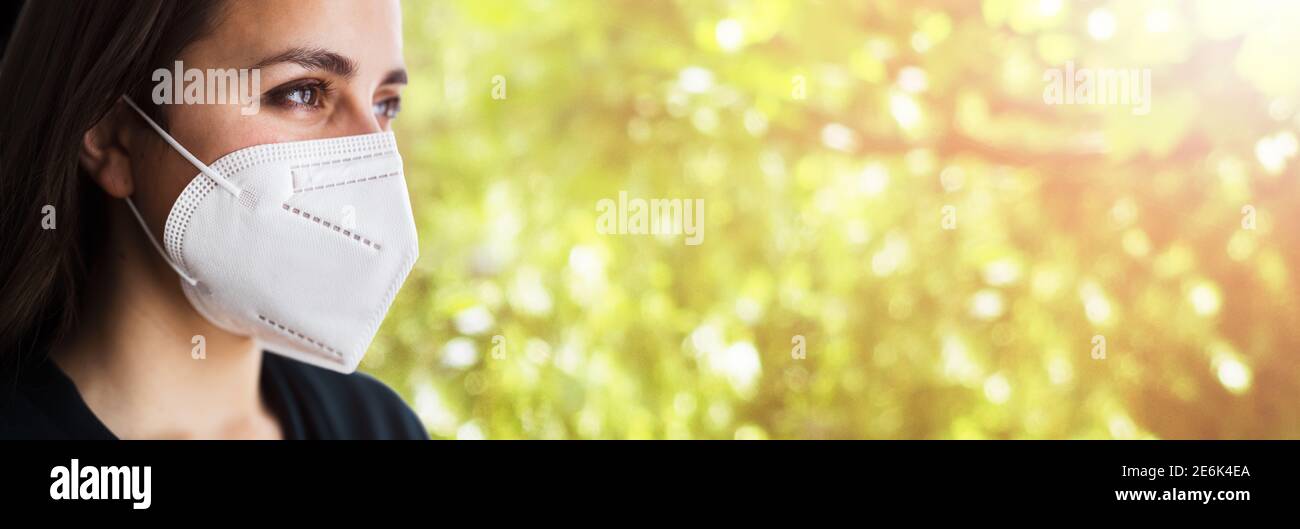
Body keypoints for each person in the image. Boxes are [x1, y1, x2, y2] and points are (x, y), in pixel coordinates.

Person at [0, 0, 428, 439]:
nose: (373, 155)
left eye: (385, 105)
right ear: (113, 134)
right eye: (302, 92)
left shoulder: (380, 426)